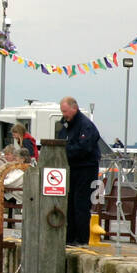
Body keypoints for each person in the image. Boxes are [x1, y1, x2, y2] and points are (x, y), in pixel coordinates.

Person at [58, 96, 101, 246]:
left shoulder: (85, 125)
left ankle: (81, 239)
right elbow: (60, 140)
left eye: (65, 111)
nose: (64, 114)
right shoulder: (65, 125)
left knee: (81, 204)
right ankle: (69, 237)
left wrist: (66, 151)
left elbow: (84, 148)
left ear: (74, 108)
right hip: (72, 169)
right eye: (62, 112)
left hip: (85, 169)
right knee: (69, 204)